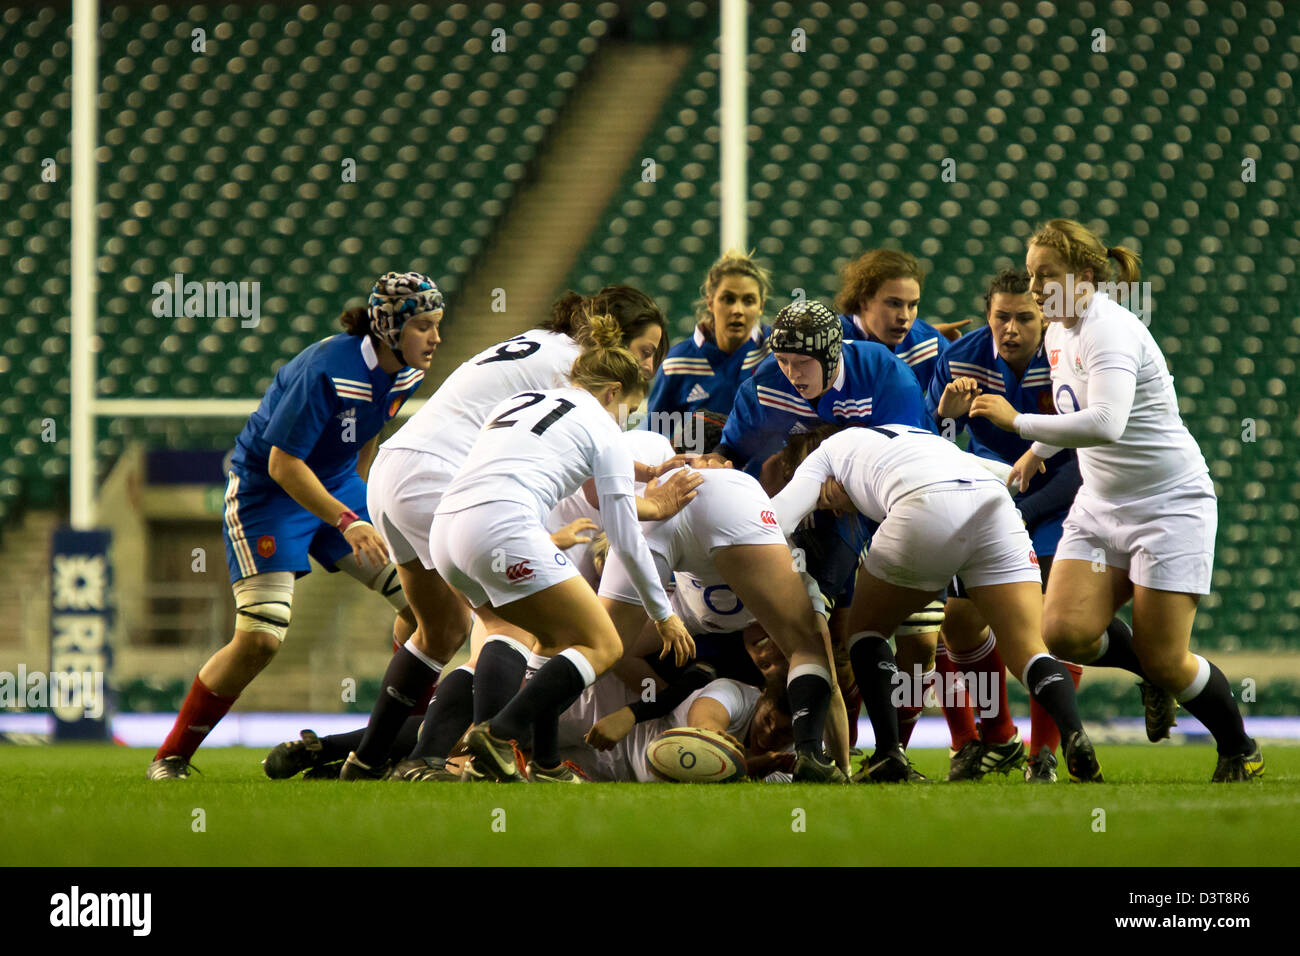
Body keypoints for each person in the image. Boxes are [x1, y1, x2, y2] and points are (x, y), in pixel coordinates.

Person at [970, 218, 1263, 782]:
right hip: (1101, 506)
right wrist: (1036, 450)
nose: (1033, 287)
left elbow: (1108, 422)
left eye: (1045, 275)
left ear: (1083, 278)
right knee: (1063, 633)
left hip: (1169, 504)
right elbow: (1071, 409)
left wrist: (1016, 420)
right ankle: (1153, 677)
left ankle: (1239, 747)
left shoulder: (1110, 328)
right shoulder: (1058, 331)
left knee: (1167, 658)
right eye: (1031, 274)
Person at [339, 287, 670, 779]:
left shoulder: (540, 343)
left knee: (440, 632)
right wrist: (658, 502)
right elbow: (603, 492)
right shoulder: (582, 370)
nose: (645, 369)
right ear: (615, 341)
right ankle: (485, 760)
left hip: (394, 471)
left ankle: (366, 760)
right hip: (447, 482)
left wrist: (635, 472)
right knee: (511, 626)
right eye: (643, 352)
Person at [147, 272, 442, 779]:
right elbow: (283, 464)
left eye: (438, 324)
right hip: (268, 494)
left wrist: (360, 496)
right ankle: (170, 756)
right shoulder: (329, 371)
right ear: (390, 327)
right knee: (261, 636)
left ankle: (395, 742)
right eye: (423, 325)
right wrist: (349, 520)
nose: (436, 337)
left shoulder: (405, 372)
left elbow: (365, 434)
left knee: (431, 612)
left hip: (336, 486)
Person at [435, 314, 698, 783]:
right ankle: (499, 734)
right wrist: (663, 614)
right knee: (603, 644)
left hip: (446, 532)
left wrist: (637, 471)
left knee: (552, 642)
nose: (625, 422)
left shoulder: (522, 400)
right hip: (500, 524)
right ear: (613, 393)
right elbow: (625, 539)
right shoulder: (604, 427)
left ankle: (546, 763)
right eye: (629, 411)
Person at [770, 423, 1104, 783]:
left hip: (924, 502)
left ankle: (888, 754)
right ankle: (1073, 733)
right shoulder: (913, 437)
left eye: (822, 499)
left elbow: (776, 519)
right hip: (994, 504)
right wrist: (1020, 467)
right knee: (1029, 649)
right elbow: (1000, 473)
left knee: (865, 633)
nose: (829, 509)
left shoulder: (822, 456)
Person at [928, 268, 1100, 782]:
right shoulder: (959, 358)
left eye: (1024, 317)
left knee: (1052, 625)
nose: (1011, 328)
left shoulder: (1067, 357)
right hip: (985, 502)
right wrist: (946, 417)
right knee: (956, 621)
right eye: (1001, 317)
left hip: (1061, 500)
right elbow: (925, 442)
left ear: (1044, 317)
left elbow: (1083, 455)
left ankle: (1044, 753)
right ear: (988, 316)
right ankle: (999, 734)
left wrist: (1023, 510)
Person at [593, 465, 852, 780]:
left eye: (767, 663)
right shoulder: (790, 594)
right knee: (607, 645)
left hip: (700, 605)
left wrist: (841, 765)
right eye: (769, 651)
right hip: (700, 576)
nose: (765, 656)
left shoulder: (741, 656)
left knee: (610, 646)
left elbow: (830, 686)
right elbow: (829, 681)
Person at [646, 250, 773, 447]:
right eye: (728, 299)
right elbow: (655, 439)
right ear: (710, 302)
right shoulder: (678, 364)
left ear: (761, 306)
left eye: (748, 300)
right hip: (701, 475)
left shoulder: (778, 356)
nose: (737, 310)